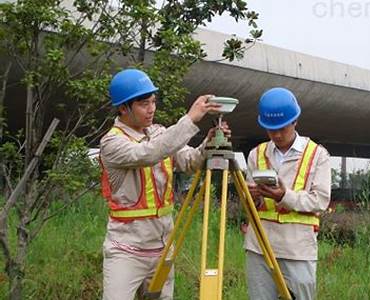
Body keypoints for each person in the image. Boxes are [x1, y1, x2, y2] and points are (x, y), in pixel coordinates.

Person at [99, 68, 229, 300]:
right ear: (123, 108)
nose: (151, 109)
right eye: (143, 104)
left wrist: (208, 145)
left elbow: (189, 161)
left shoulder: (160, 133)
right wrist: (189, 119)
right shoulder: (112, 142)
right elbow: (147, 154)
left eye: (153, 102)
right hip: (126, 251)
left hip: (162, 248)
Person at [244, 87, 331, 300]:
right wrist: (253, 196)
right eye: (270, 129)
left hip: (297, 249)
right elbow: (249, 204)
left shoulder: (317, 155)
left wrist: (283, 196)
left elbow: (320, 201)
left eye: (281, 128)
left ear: (295, 121)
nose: (276, 135)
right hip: (259, 246)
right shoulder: (257, 153)